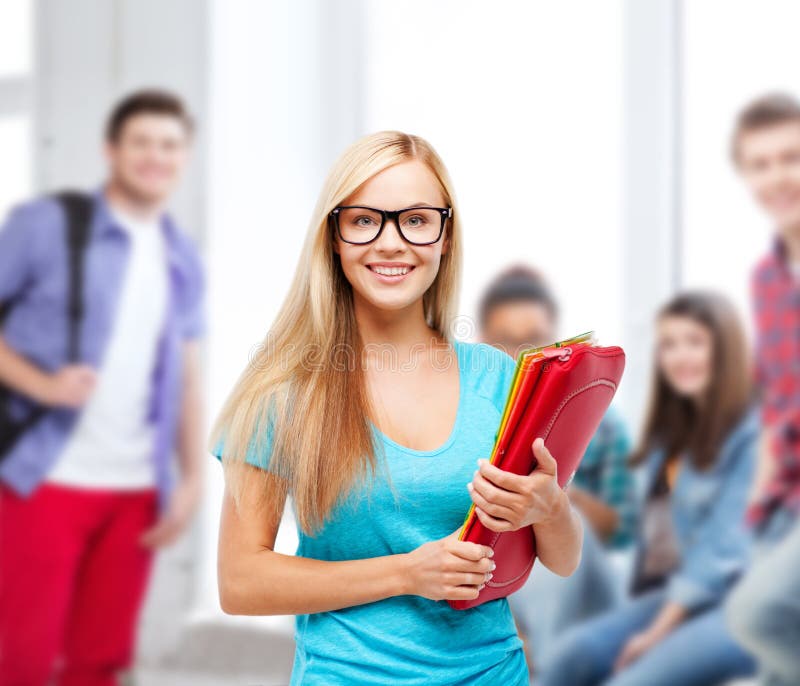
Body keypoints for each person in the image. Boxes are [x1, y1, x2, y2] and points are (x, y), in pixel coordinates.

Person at [210, 130, 583, 685]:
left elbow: (562, 559)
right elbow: (240, 582)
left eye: (415, 219)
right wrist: (409, 573)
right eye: (364, 220)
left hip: (493, 672)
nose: (390, 243)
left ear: (444, 237)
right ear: (333, 237)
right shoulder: (283, 391)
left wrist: (549, 508)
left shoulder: (501, 379)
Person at [0, 89, 206, 685]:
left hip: (136, 487)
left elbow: (185, 376)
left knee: (100, 662)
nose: (155, 156)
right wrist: (40, 383)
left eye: (169, 145)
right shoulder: (46, 226)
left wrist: (191, 478)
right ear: (111, 150)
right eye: (141, 142)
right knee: (26, 660)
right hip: (45, 478)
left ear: (183, 156)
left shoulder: (181, 256)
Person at [537, 291, 758, 686]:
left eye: (694, 342)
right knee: (573, 656)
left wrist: (654, 634)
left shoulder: (754, 434)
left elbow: (720, 554)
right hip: (681, 594)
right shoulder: (671, 439)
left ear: (725, 349)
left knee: (632, 680)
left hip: (745, 604)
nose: (679, 357)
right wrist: (635, 619)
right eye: (669, 344)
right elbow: (655, 548)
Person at [477, 264, 636, 670]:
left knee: (548, 556)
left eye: (532, 341)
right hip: (495, 575)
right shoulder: (469, 415)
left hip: (579, 577)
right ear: (482, 342)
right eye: (504, 342)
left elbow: (624, 528)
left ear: (554, 341)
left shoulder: (598, 417)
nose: (519, 356)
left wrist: (555, 497)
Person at [724, 92, 800, 686]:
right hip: (782, 504)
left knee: (757, 615)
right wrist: (755, 509)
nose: (777, 176)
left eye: (791, 158)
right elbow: (776, 407)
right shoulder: (766, 278)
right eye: (761, 163)